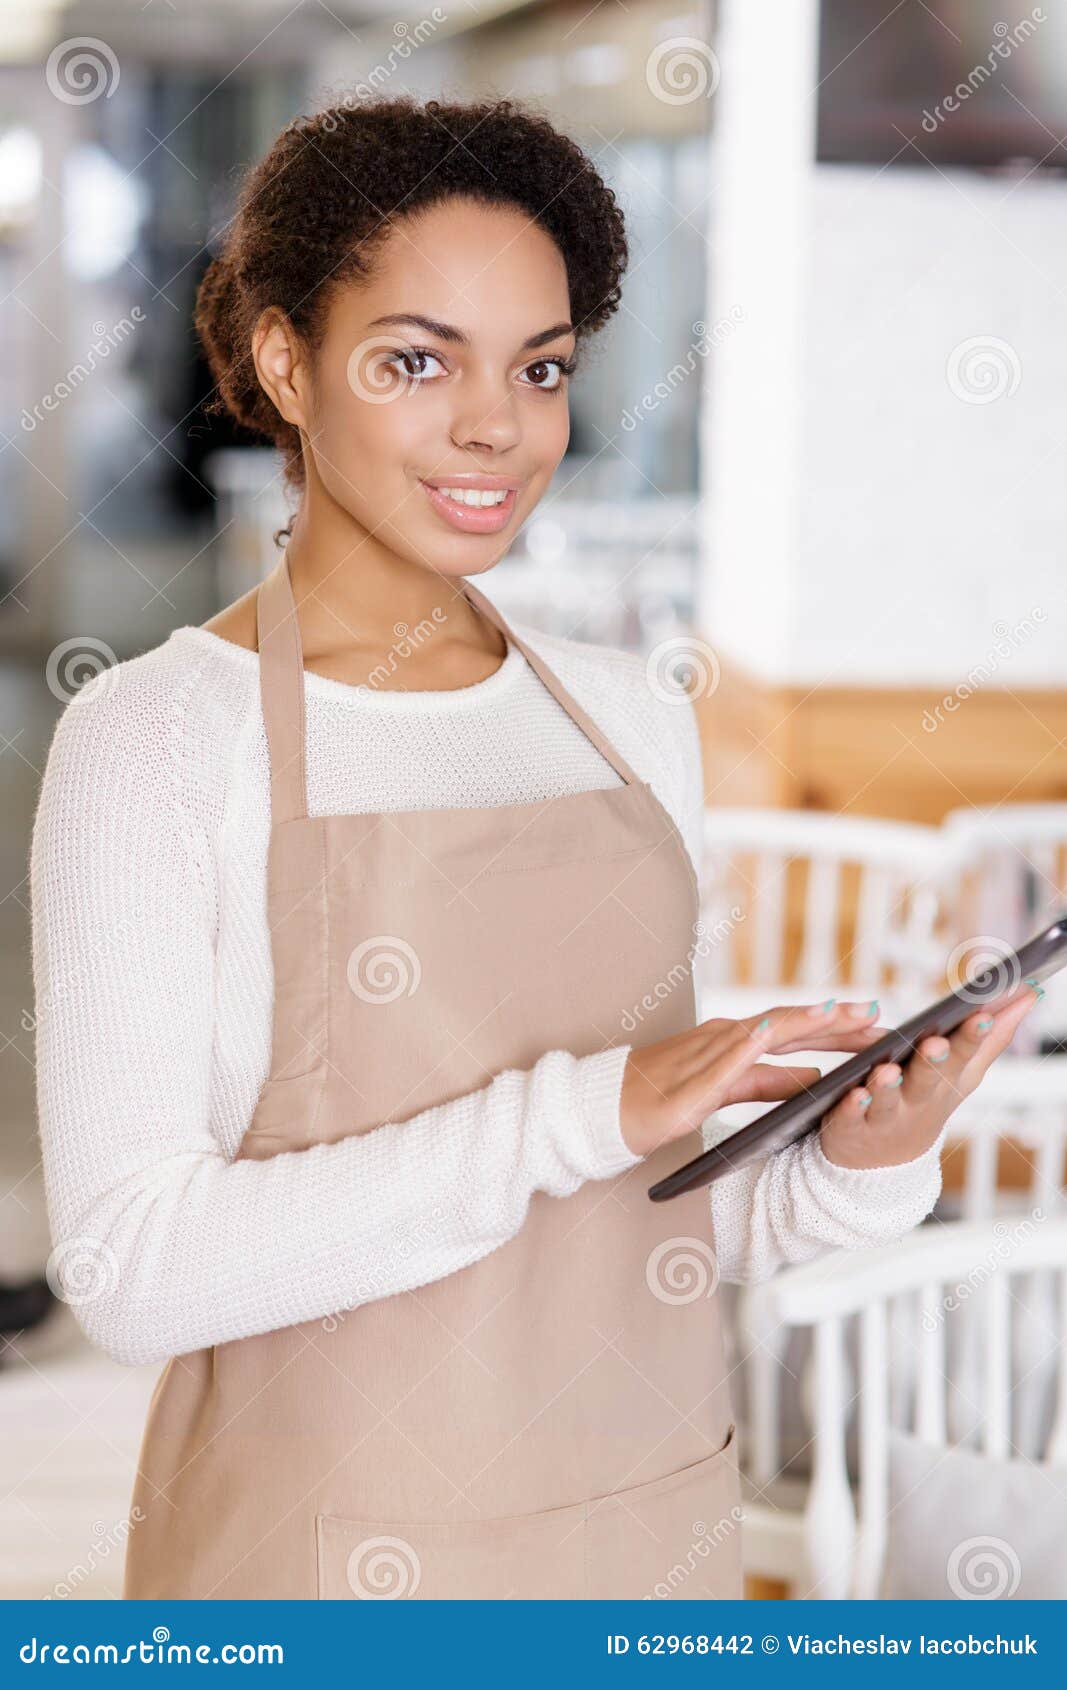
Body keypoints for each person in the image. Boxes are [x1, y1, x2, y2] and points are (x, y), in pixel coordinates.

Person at [30, 94, 1038, 1602]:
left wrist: (857, 1162)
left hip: (644, 1531)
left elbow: (639, 1215)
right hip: (325, 1564)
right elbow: (132, 1270)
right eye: (416, 360)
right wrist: (582, 1107)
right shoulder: (160, 740)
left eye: (542, 366)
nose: (497, 426)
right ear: (287, 363)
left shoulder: (632, 717)